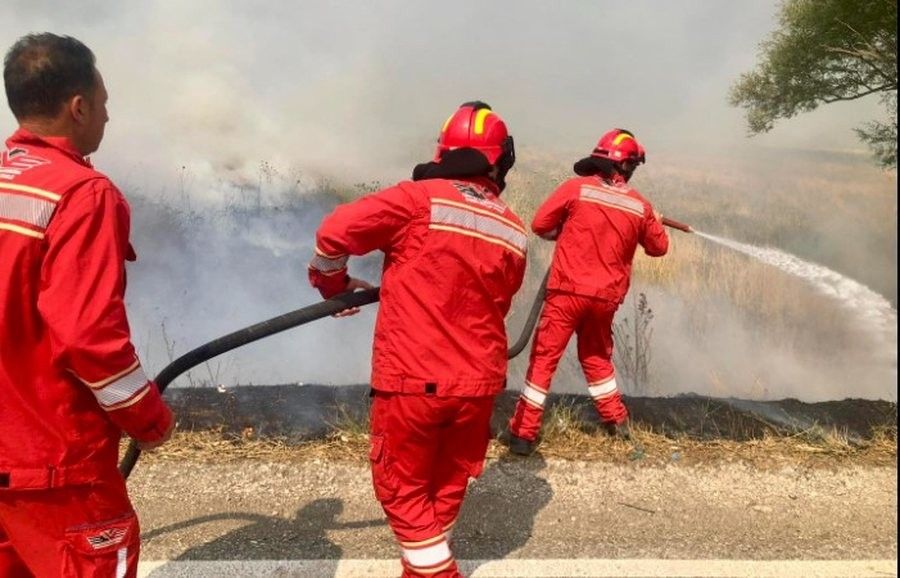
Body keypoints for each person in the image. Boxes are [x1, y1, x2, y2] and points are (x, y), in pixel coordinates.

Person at [309, 101, 526, 578]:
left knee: (401, 490)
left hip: (414, 383)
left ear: (443, 151)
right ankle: (423, 569)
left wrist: (334, 285)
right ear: (500, 160)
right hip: (478, 387)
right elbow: (498, 302)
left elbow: (333, 233)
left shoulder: (418, 198)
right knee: (445, 488)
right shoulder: (513, 228)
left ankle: (434, 572)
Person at [0, 33, 174, 577]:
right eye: (103, 103)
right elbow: (87, 337)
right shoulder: (82, 193)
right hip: (57, 464)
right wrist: (148, 418)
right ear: (78, 107)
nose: (107, 117)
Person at [506, 128, 668, 455]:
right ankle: (617, 422)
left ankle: (523, 434)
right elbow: (659, 247)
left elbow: (540, 224)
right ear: (627, 167)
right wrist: (655, 222)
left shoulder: (576, 189)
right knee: (596, 357)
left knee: (544, 359)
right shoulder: (639, 205)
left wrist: (565, 230)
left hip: (566, 292)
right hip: (606, 298)